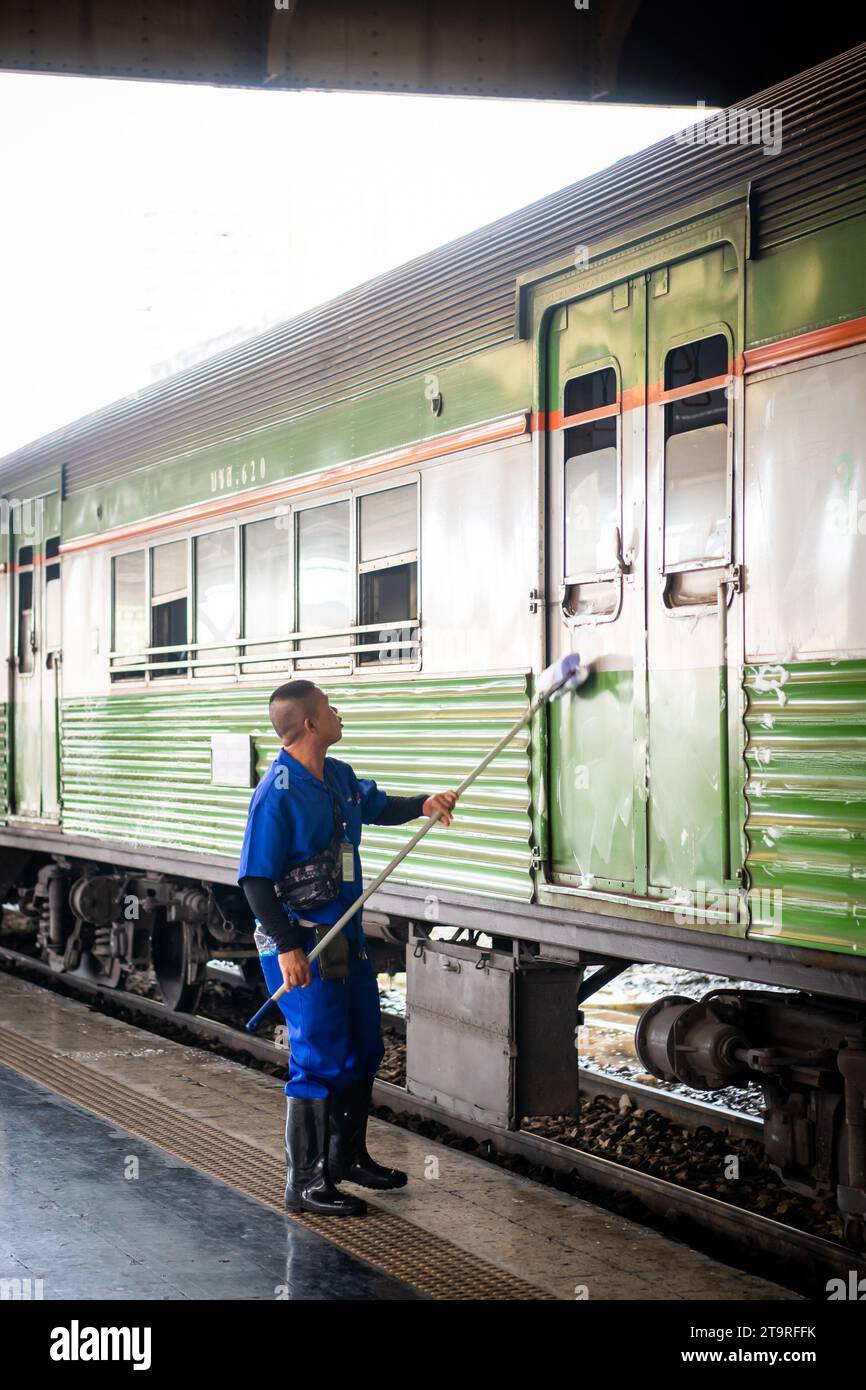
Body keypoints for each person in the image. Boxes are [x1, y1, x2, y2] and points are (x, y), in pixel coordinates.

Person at [238, 679, 457, 1217]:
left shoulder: (335, 776)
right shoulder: (278, 793)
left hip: (345, 937)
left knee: (363, 1048)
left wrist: (423, 804)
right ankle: (307, 1181)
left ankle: (348, 1159)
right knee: (318, 1058)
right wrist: (288, 947)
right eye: (330, 707)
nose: (339, 712)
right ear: (311, 724)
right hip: (304, 947)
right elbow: (255, 882)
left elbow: (376, 806)